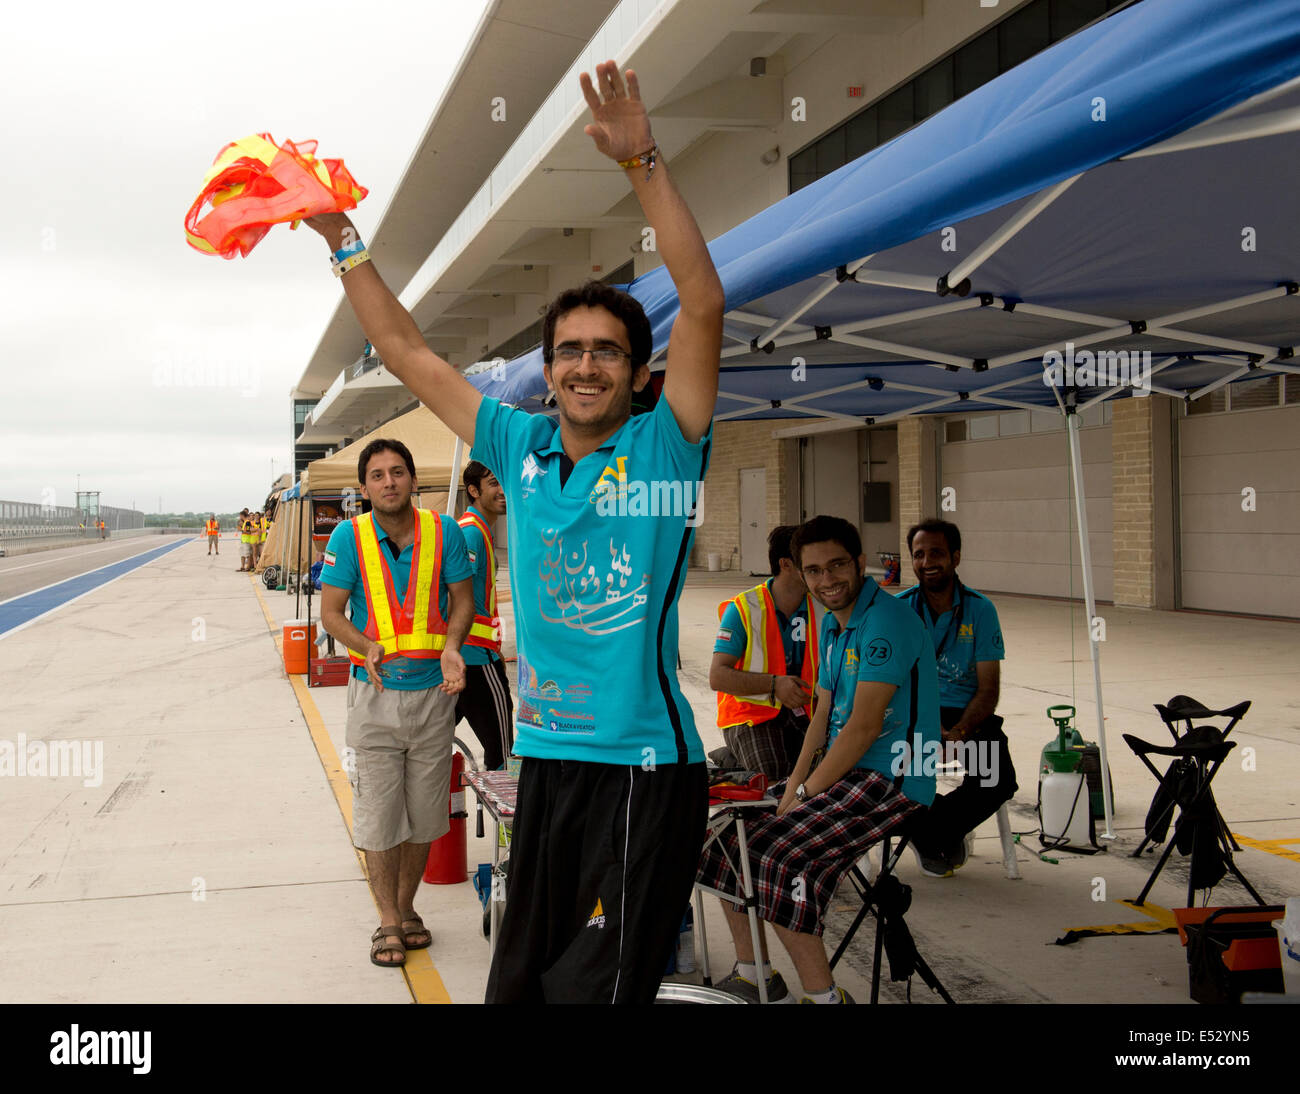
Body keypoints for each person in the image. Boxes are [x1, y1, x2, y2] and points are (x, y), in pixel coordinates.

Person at [303, 59, 724, 1003]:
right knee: (522, 984)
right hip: (549, 760)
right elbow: (409, 353)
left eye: (607, 351)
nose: (586, 365)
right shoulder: (520, 443)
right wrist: (344, 241)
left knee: (599, 987)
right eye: (569, 350)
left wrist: (643, 162)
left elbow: (703, 302)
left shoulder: (667, 446)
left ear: (636, 371)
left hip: (642, 769)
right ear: (548, 367)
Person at [697, 515, 940, 1003]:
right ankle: (755, 975)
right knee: (724, 844)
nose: (827, 580)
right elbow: (822, 716)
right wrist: (789, 793)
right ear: (799, 573)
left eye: (837, 566)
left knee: (781, 858)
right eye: (814, 571)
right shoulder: (831, 625)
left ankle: (825, 998)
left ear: (860, 563)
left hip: (893, 778)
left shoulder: (887, 622)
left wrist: (805, 793)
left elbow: (863, 728)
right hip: (847, 771)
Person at [318, 438, 475, 969]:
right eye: (378, 475)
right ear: (365, 487)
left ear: (413, 480)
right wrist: (365, 646)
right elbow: (332, 614)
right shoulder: (348, 536)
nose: (389, 482)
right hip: (376, 696)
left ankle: (406, 909)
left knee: (425, 817)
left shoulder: (445, 531)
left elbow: (463, 598)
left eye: (398, 472)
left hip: (434, 697)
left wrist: (453, 647)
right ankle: (387, 919)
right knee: (380, 815)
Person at [895, 518, 1016, 877]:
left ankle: (927, 830)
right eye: (919, 554)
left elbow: (988, 687)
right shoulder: (897, 610)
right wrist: (928, 728)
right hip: (913, 715)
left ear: (956, 557)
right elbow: (889, 686)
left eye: (937, 552)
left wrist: (959, 732)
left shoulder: (981, 610)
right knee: (887, 778)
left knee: (998, 780)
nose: (927, 561)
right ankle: (939, 832)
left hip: (967, 716)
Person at [710, 525, 819, 780]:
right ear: (786, 564)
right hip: (751, 714)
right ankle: (737, 756)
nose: (820, 568)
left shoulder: (823, 607)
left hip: (810, 710)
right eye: (811, 562)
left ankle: (738, 759)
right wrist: (774, 685)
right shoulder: (743, 608)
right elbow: (717, 677)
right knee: (772, 783)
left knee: (823, 777)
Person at [454, 461, 514, 772]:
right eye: (494, 483)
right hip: (474, 660)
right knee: (503, 753)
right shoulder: (471, 534)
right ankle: (511, 821)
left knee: (431, 742)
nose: (502, 489)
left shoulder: (478, 531)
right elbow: (454, 596)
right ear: (474, 491)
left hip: (474, 655)